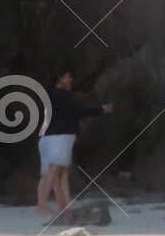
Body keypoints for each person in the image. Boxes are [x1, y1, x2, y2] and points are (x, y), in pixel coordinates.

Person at [37, 70, 113, 217]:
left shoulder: (48, 95)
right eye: (68, 77)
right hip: (61, 137)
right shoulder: (64, 96)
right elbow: (77, 112)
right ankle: (43, 206)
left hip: (45, 138)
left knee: (55, 173)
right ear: (59, 79)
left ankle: (63, 205)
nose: (71, 79)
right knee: (55, 171)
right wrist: (101, 109)